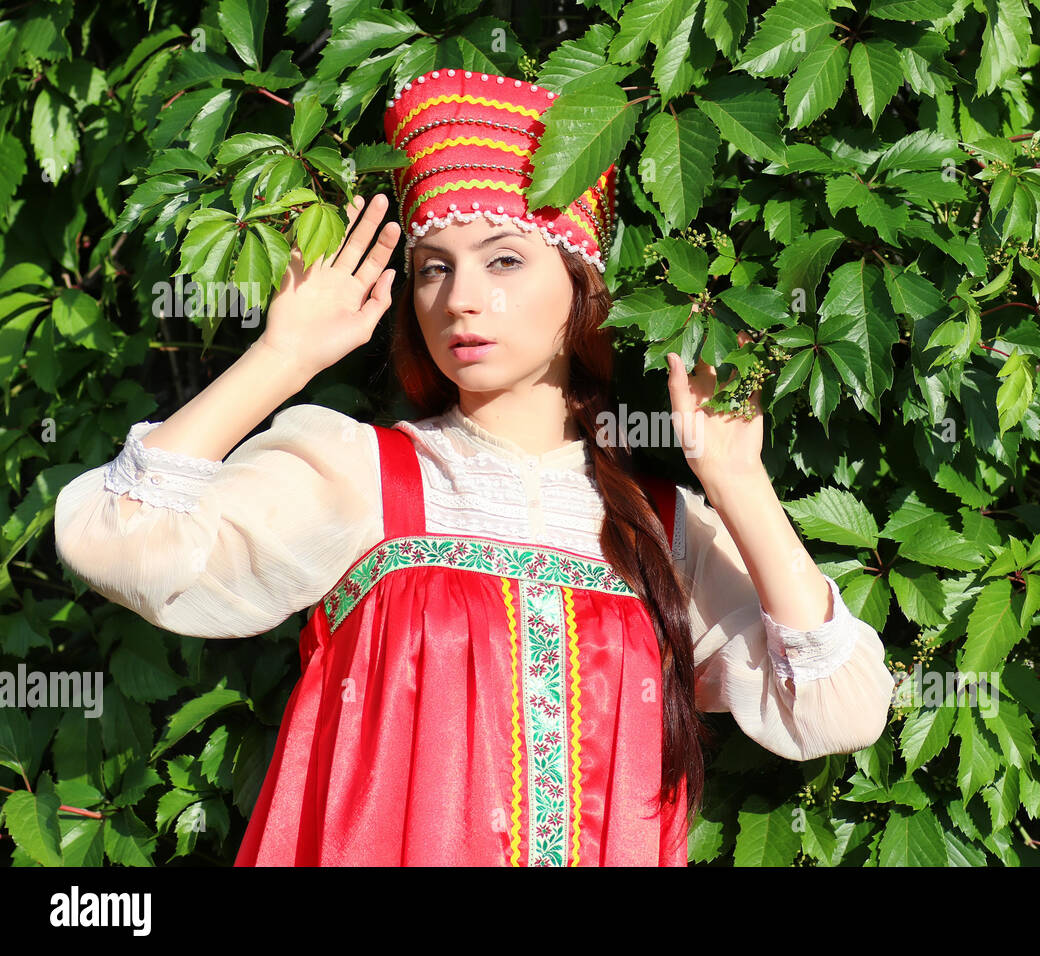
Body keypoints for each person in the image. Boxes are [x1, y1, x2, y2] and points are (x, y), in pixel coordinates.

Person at [53, 69, 895, 866]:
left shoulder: (659, 528)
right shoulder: (363, 475)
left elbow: (836, 710)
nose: (459, 300)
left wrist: (739, 485)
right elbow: (118, 537)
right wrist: (280, 358)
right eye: (433, 268)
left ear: (580, 283)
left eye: (502, 261)